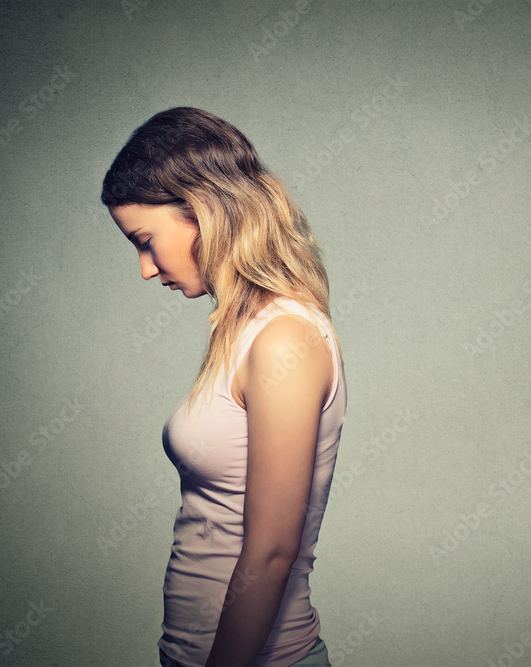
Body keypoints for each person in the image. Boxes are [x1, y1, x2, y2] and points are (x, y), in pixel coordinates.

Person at [101, 107, 346, 667]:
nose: (145, 268)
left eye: (145, 240)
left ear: (203, 210)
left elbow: (273, 551)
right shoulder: (242, 330)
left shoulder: (284, 339)